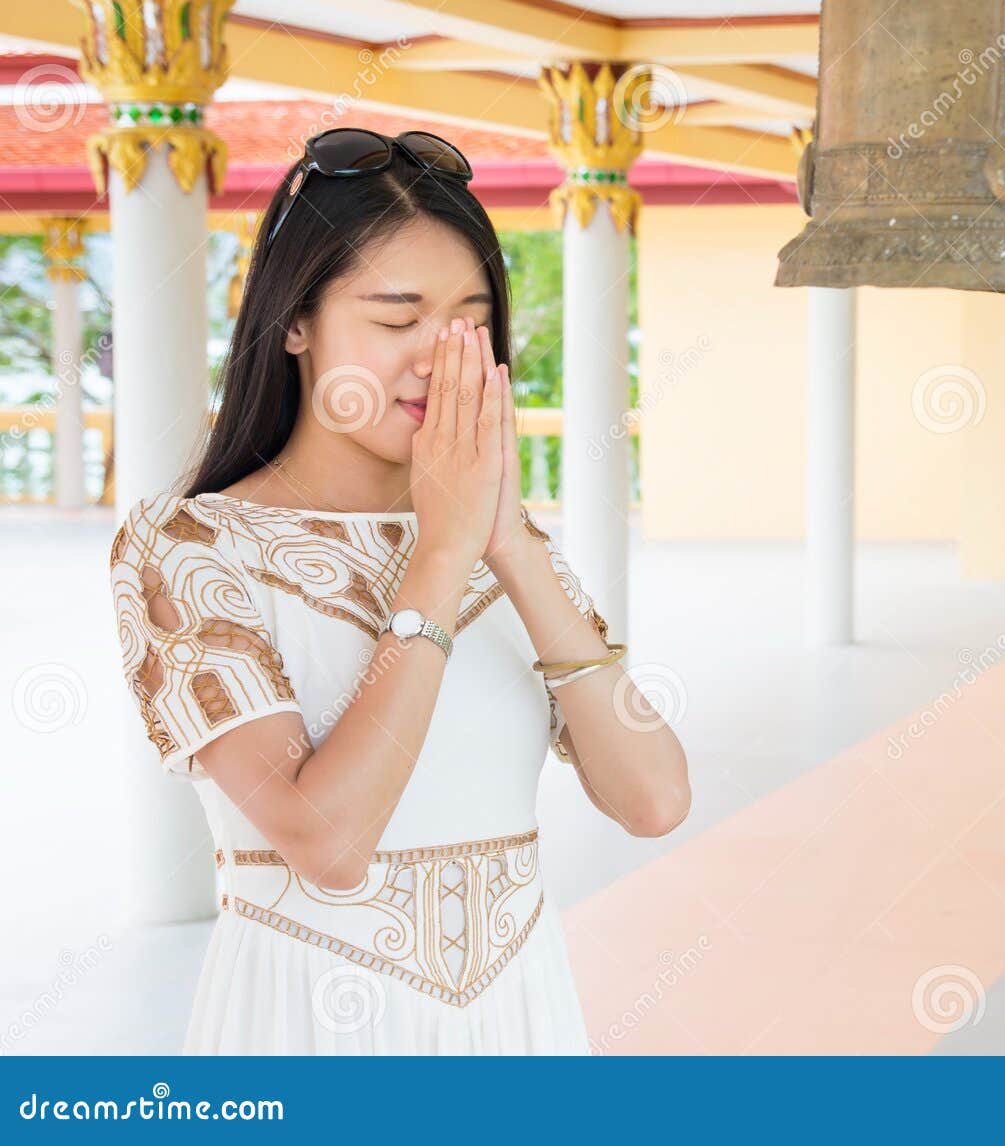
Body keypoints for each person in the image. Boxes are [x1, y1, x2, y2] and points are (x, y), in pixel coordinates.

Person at [106, 128, 691, 1054]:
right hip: (308, 1030)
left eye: (471, 318)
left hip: (519, 1026)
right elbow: (329, 847)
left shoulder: (507, 547)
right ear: (294, 322)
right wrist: (442, 555)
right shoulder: (191, 548)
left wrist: (503, 541)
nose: (441, 355)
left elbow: (654, 800)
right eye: (395, 319)